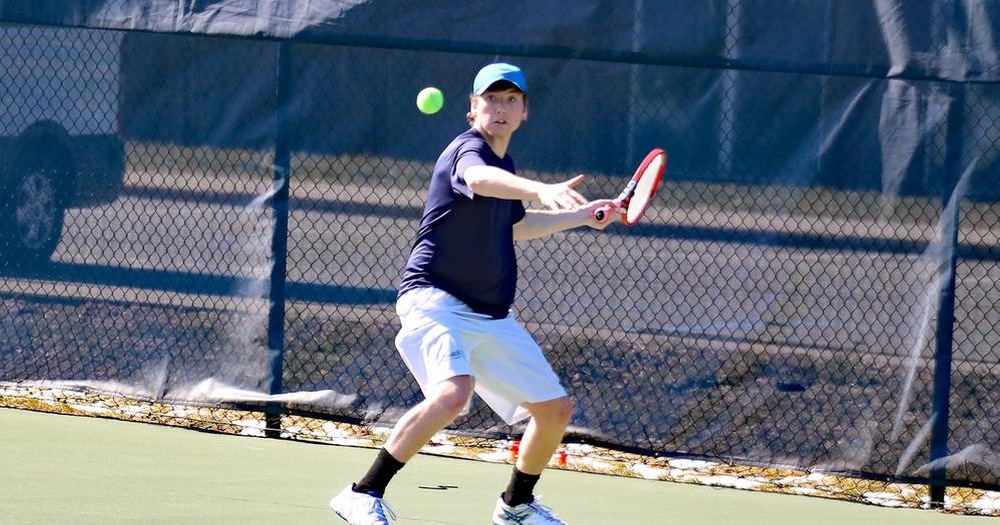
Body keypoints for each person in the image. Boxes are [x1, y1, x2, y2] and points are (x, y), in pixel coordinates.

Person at [329, 62, 619, 525]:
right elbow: (481, 181)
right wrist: (540, 188)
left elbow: (517, 225)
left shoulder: (506, 165)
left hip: (489, 311)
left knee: (555, 409)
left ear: (524, 111)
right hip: (434, 296)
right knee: (452, 395)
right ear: (473, 108)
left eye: (510, 100)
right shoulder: (468, 152)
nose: (500, 108)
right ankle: (363, 493)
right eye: (491, 99)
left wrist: (583, 215)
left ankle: (516, 506)